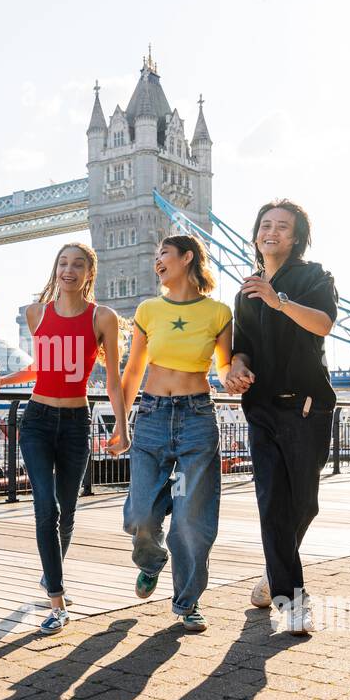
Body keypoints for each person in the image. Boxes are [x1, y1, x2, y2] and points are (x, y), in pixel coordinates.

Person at [117, 234, 246, 632]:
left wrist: (234, 377)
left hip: (196, 419)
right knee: (140, 515)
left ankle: (187, 601)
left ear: (187, 258)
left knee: (192, 521)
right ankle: (151, 561)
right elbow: (133, 370)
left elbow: (223, 368)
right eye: (156, 254)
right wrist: (122, 424)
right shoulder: (148, 309)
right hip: (152, 417)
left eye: (164, 254)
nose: (157, 260)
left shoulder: (219, 312)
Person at [225, 199, 338, 636]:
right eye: (265, 225)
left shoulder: (315, 277)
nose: (272, 232)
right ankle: (293, 599)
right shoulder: (244, 291)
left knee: (304, 504)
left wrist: (279, 300)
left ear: (296, 237)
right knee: (272, 504)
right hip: (263, 408)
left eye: (282, 227)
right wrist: (236, 366)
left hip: (308, 405)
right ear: (256, 235)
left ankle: (275, 575)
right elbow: (243, 345)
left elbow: (323, 324)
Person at [1, 243, 127, 634]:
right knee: (47, 507)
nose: (68, 270)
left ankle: (49, 574)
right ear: (55, 269)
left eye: (77, 265)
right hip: (37, 419)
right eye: (62, 264)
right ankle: (56, 599)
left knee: (68, 511)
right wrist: (4, 381)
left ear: (90, 273)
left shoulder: (102, 317)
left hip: (76, 421)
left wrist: (122, 427)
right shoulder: (35, 314)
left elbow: (113, 380)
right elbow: (44, 367)